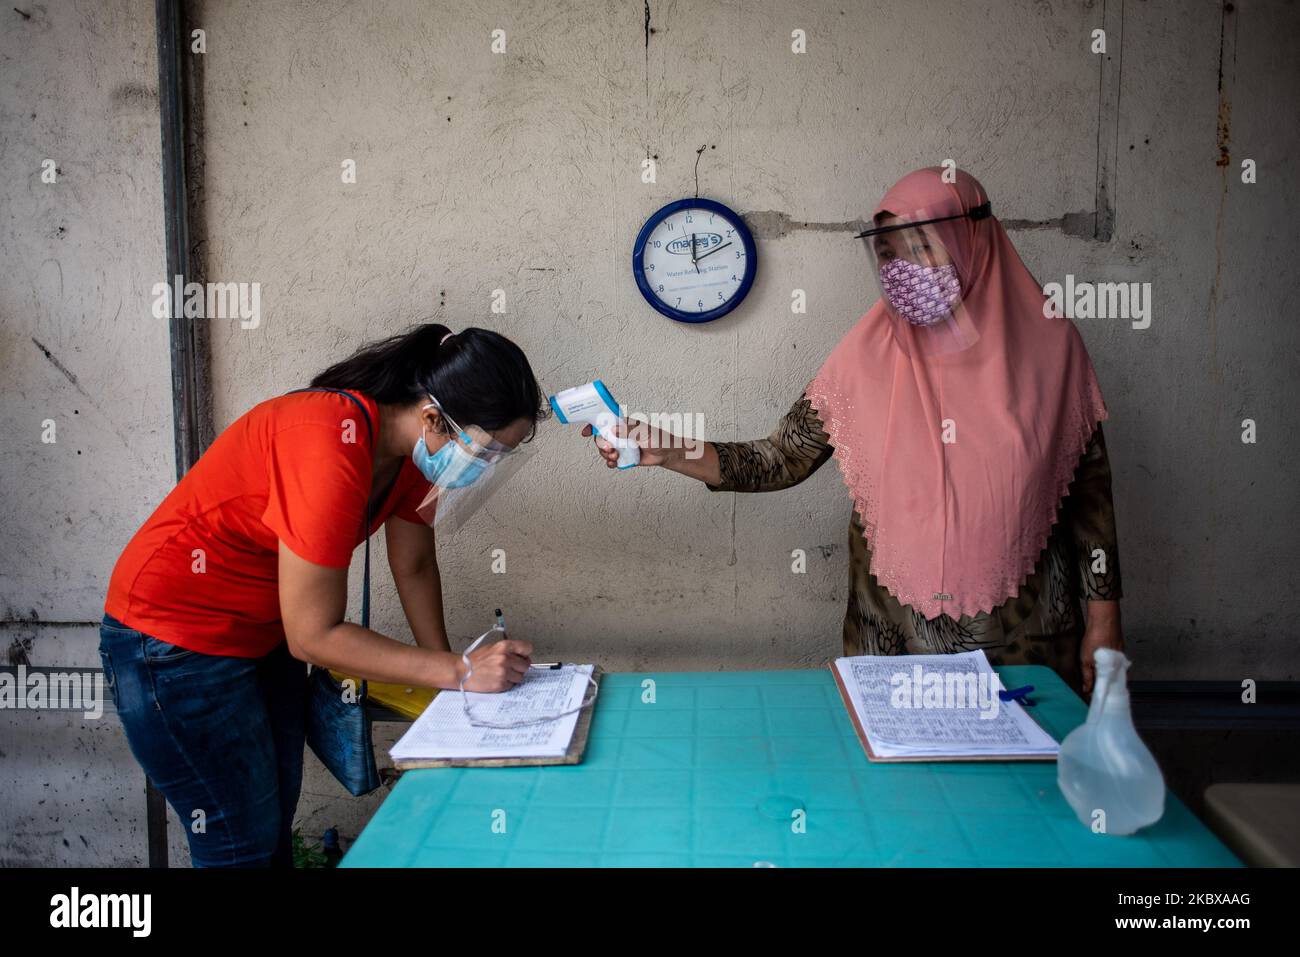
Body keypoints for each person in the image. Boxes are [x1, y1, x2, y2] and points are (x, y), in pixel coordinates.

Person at [588, 167, 1124, 696]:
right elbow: (780, 458)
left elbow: (1090, 505)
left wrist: (1104, 624)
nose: (902, 269)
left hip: (1024, 644)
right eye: (888, 253)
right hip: (889, 637)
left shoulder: (1052, 353)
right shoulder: (867, 355)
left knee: (1014, 780)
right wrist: (667, 448)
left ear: (972, 239)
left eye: (921, 247)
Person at [99, 323, 546, 866]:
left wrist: (449, 679)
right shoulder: (328, 443)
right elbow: (315, 635)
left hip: (264, 635)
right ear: (432, 417)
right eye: (486, 449)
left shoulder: (413, 455)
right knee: (238, 841)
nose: (486, 465)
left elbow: (415, 563)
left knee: (271, 824)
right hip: (173, 642)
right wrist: (459, 673)